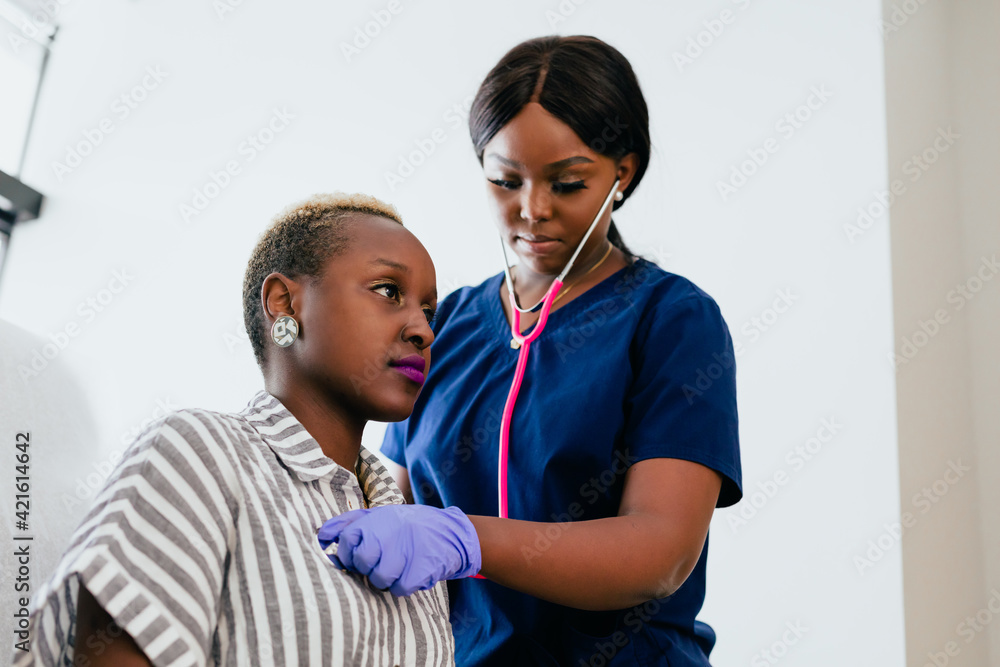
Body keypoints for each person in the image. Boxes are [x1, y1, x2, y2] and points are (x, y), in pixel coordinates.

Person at [317, 36, 743, 666]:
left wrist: (466, 540)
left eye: (568, 183)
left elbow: (660, 553)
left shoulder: (672, 322)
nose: (532, 210)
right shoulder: (445, 323)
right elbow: (390, 511)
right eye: (505, 180)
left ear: (622, 172)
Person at [15, 193, 458, 666]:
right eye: (388, 290)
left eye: (429, 311)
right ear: (285, 303)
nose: (424, 331)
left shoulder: (411, 534)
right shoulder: (198, 454)